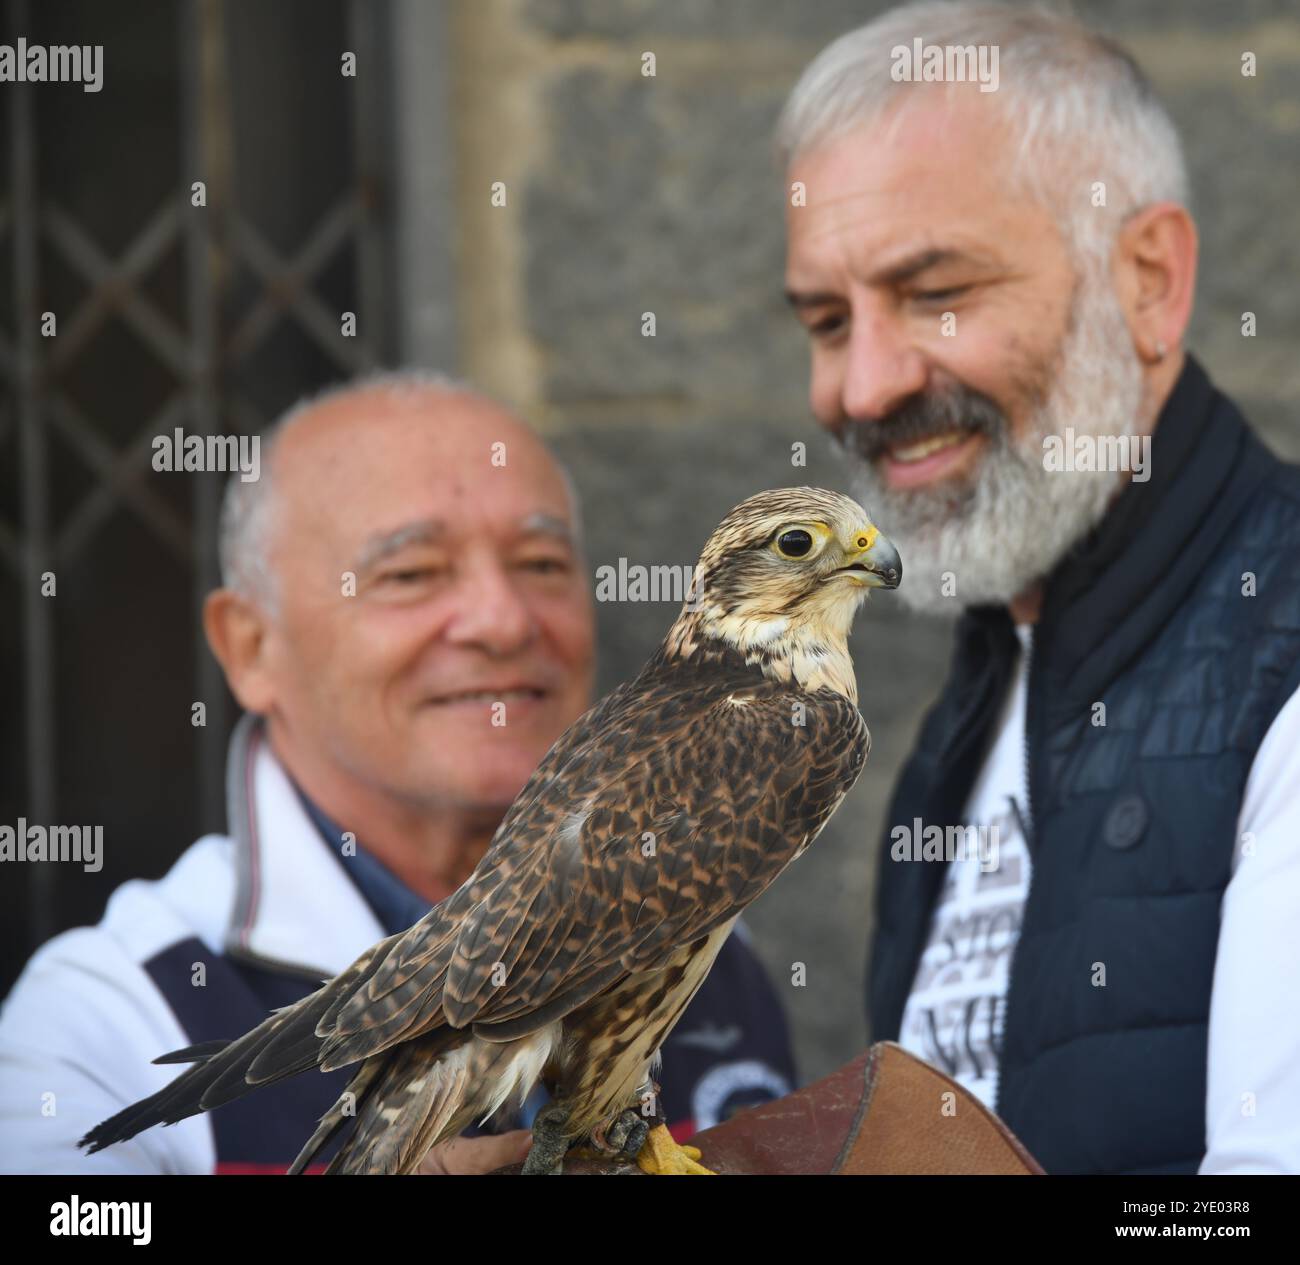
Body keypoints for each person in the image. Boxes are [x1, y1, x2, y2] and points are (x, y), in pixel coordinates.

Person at [0, 373, 795, 1174]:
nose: (502, 620)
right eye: (411, 573)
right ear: (250, 647)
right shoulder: (105, 1019)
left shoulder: (712, 923)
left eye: (542, 563)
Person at [778, 2, 1300, 1174]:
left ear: (1149, 280)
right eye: (825, 318)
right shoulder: (975, 702)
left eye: (936, 293)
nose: (863, 387)